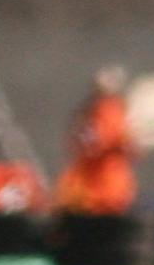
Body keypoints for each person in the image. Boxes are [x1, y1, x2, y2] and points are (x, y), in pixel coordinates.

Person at [52, 69, 136, 218]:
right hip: (95, 189)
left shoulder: (108, 111)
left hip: (103, 189)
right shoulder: (101, 112)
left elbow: (125, 145)